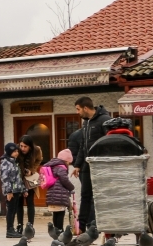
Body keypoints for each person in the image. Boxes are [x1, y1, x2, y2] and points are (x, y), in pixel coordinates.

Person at [72, 96, 111, 231]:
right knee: (85, 195)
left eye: (78, 109)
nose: (77, 112)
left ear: (86, 108)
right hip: (87, 165)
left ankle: (102, 226)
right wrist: (77, 165)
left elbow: (109, 143)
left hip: (100, 165)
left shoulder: (105, 120)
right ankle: (82, 227)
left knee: (100, 196)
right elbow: (83, 145)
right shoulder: (86, 123)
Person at [43, 149, 75, 232]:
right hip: (59, 194)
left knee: (55, 213)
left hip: (52, 193)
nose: (68, 164)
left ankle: (56, 229)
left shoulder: (53, 166)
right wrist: (71, 187)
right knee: (60, 212)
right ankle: (60, 229)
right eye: (68, 162)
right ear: (65, 160)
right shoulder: (61, 167)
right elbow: (64, 179)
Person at [17, 135, 42, 233]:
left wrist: (32, 170)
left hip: (30, 180)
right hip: (18, 179)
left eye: (25, 146)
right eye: (21, 146)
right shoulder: (16, 150)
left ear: (30, 146)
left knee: (30, 202)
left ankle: (30, 226)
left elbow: (39, 160)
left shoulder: (37, 150)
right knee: (19, 202)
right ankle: (19, 225)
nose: (22, 148)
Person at [0, 143, 24, 238]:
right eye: (14, 151)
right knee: (10, 210)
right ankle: (9, 230)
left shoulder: (14, 162)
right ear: (9, 152)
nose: (16, 153)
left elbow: (18, 177)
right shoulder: (5, 162)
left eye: (17, 151)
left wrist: (23, 189)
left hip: (16, 190)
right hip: (11, 191)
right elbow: (5, 178)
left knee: (14, 210)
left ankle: (12, 229)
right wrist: (9, 191)